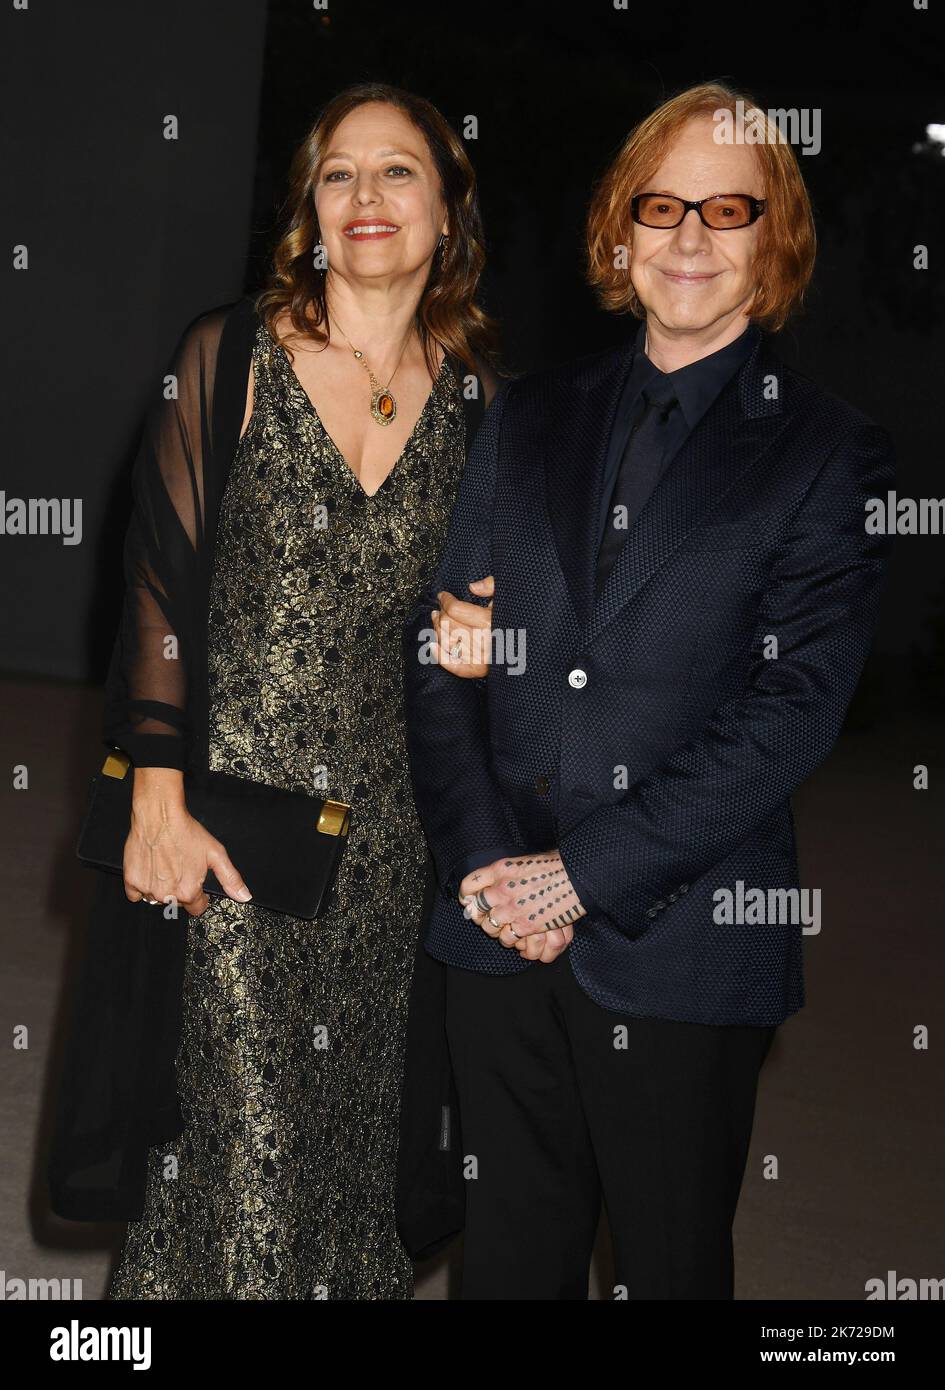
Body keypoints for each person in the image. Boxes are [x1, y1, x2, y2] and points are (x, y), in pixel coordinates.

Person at [402, 82, 895, 1300]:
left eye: (727, 208)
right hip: (494, 930)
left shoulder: (829, 453)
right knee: (507, 1261)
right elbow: (442, 653)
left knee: (668, 1271)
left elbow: (787, 717)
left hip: (682, 943)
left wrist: (579, 875)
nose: (687, 237)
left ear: (775, 238)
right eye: (660, 204)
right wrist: (485, 865)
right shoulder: (522, 417)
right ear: (618, 232)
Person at [48, 82, 499, 1300]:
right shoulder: (230, 350)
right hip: (226, 828)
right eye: (338, 173)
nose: (366, 197)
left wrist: (492, 635)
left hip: (390, 849)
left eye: (399, 171)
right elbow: (154, 585)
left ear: (448, 211)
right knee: (233, 1149)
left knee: (348, 1172)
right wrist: (155, 795)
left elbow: (506, 617)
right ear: (307, 208)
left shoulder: (480, 405)